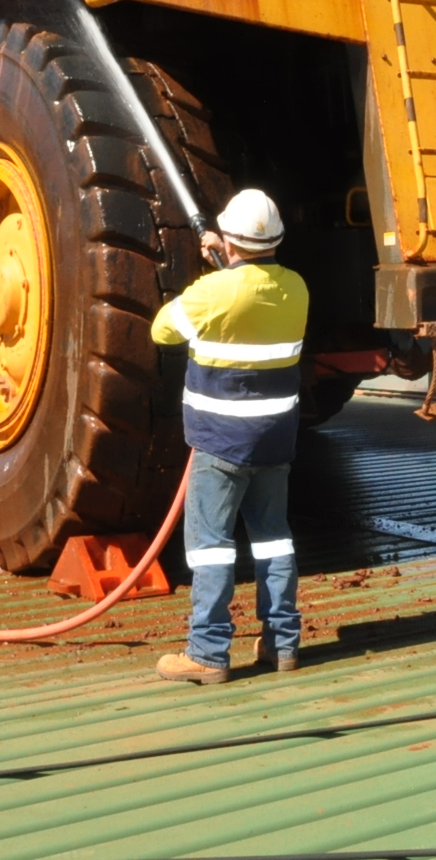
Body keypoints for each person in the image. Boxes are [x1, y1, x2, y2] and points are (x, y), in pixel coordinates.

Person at [149, 189, 309, 685]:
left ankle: (207, 653)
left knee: (212, 547)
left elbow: (162, 331)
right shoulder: (297, 289)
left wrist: (218, 274)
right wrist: (230, 266)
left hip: (220, 444)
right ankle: (282, 644)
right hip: (275, 442)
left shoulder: (211, 292)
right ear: (276, 240)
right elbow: (254, 293)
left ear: (231, 244)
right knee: (273, 541)